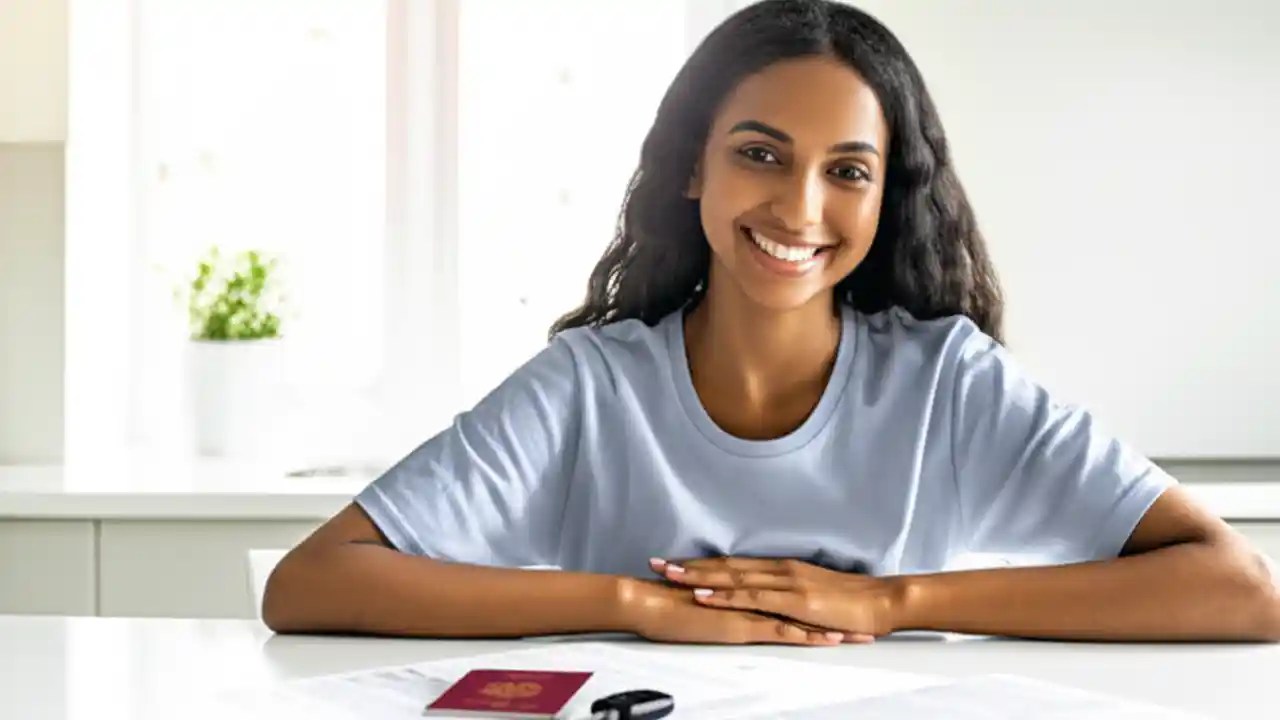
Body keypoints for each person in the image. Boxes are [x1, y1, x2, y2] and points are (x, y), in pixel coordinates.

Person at [263, 0, 1279, 645]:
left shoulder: (946, 382)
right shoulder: (589, 385)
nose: (797, 209)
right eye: (758, 153)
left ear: (886, 201)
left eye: (845, 172)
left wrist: (890, 604)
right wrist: (639, 607)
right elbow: (309, 585)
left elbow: (1241, 589)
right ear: (692, 166)